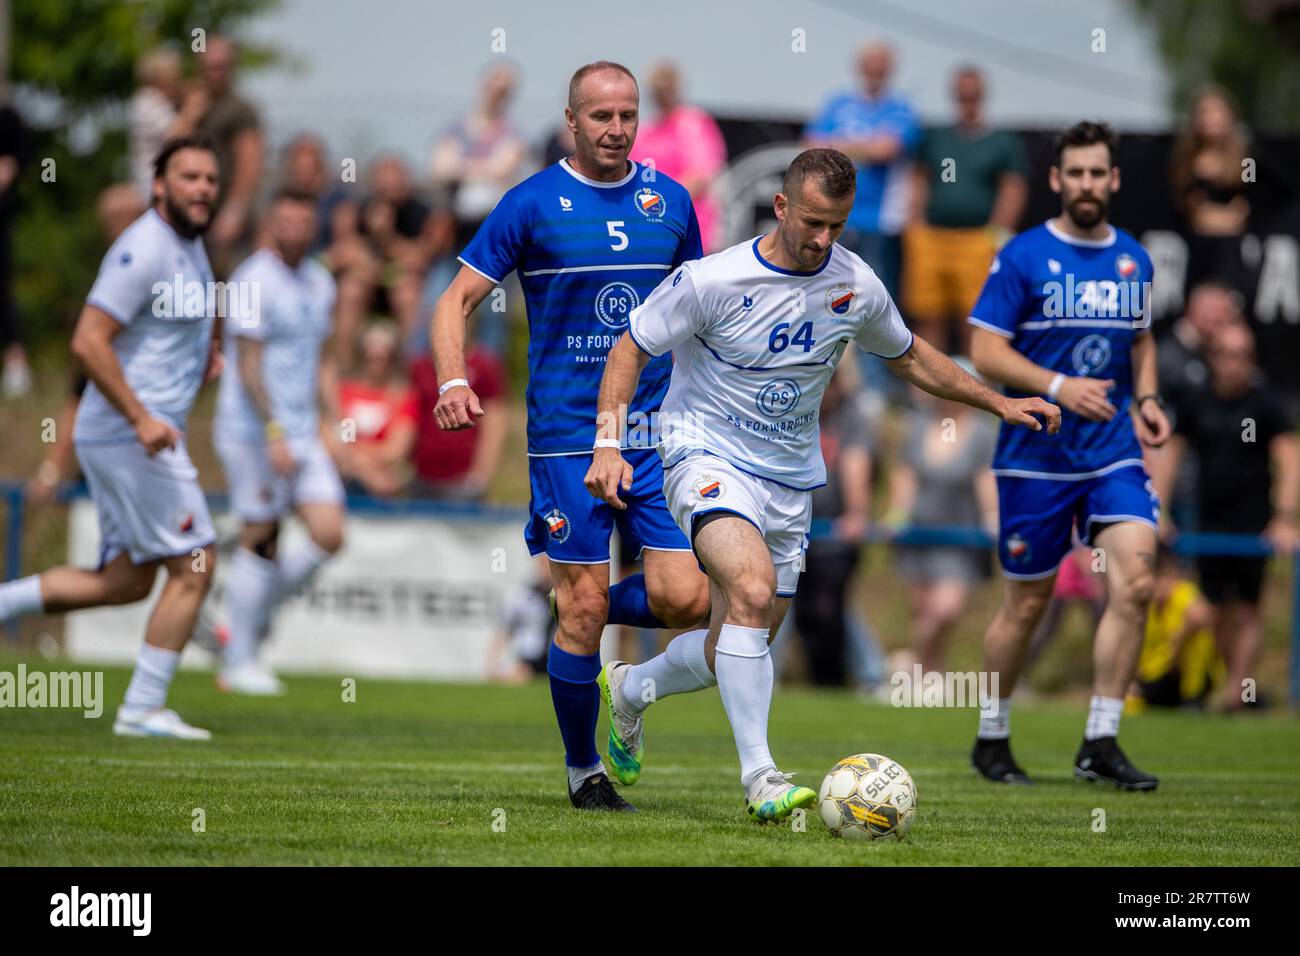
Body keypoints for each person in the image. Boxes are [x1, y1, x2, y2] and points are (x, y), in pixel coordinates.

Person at [585, 148, 1057, 822]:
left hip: (789, 482)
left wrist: (998, 403)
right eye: (811, 222)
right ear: (780, 207)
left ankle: (631, 690)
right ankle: (762, 779)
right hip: (704, 456)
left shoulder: (855, 283)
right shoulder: (711, 280)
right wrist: (609, 442)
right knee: (748, 591)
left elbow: (911, 356)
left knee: (734, 646)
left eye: (836, 226)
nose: (822, 239)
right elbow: (630, 346)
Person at [432, 61, 711, 813]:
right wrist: (453, 381)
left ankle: (612, 665)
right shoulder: (529, 203)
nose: (616, 130)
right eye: (601, 117)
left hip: (654, 434)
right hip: (566, 437)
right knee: (583, 607)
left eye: (628, 115)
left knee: (687, 599)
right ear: (571, 120)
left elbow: (703, 312)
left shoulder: (673, 202)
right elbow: (453, 300)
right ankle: (583, 769)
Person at [967, 121, 1170, 790]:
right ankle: (992, 737)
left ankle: (1101, 739)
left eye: (1097, 172)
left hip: (1112, 451)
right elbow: (985, 350)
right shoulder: (1023, 255)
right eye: (1074, 172)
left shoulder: (1134, 259)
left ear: (1114, 179)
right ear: (1057, 180)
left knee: (1137, 578)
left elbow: (1141, 339)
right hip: (1035, 454)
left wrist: (1146, 400)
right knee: (1028, 605)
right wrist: (1057, 387)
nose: (1087, 184)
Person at [0, 135, 224, 738]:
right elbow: (87, 341)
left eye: (210, 178)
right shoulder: (145, 247)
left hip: (134, 433)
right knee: (196, 565)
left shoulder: (189, 246)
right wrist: (140, 417)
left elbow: (170, 328)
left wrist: (207, 355)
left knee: (126, 581)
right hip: (134, 435)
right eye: (189, 177)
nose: (202, 188)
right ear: (159, 186)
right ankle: (142, 709)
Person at [212, 190, 346, 695]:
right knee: (262, 534)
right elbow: (247, 365)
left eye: (303, 221)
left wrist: (335, 419)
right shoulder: (252, 278)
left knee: (329, 533)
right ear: (272, 222)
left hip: (304, 430)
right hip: (252, 430)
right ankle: (239, 658)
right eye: (285, 220)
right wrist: (273, 430)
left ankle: (250, 617)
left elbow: (322, 359)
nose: (294, 229)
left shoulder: (320, 280)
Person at [1153, 322, 1298, 711]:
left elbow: (1288, 459)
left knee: (1248, 608)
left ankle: (1237, 691)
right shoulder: (1196, 400)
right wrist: (1160, 510)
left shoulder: (1265, 403)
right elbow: (1172, 454)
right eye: (1227, 354)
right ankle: (1223, 685)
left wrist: (1284, 518)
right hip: (1208, 522)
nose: (1235, 364)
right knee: (1214, 608)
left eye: (1243, 355)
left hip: (1253, 523)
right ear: (1213, 358)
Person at [886, 359, 999, 676]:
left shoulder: (980, 433)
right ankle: (931, 674)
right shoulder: (919, 425)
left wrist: (992, 518)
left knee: (945, 610)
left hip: (961, 540)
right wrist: (897, 516)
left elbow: (985, 480)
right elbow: (905, 476)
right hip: (919, 535)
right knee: (923, 612)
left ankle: (911, 663)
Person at [904, 66, 1027, 354]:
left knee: (972, 316)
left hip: (976, 239)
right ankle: (929, 391)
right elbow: (919, 178)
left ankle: (974, 387)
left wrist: (997, 235)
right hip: (932, 237)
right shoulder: (937, 138)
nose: (967, 101)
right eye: (962, 95)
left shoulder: (1001, 142)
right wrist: (914, 223)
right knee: (927, 313)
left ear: (982, 96)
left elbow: (1013, 188)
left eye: (973, 95)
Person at [792, 361, 873, 687]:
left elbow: (857, 463)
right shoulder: (795, 410)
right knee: (801, 612)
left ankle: (837, 680)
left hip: (833, 536)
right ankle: (819, 681)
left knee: (828, 609)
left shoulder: (851, 417)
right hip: (794, 529)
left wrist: (856, 512)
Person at [629, 62, 728, 254]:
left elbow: (700, 177)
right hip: (651, 231)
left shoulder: (693, 124)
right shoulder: (646, 130)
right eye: (658, 89)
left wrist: (659, 206)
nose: (663, 93)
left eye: (667, 87)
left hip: (690, 229)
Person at [1169, 86, 1253, 290]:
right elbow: (1193, 215)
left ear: (1230, 116)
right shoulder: (1186, 163)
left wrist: (1217, 216)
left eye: (1217, 111)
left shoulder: (1246, 162)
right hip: (1196, 255)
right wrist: (1215, 216)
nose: (1210, 119)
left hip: (1231, 257)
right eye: (1204, 112)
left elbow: (1244, 208)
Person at [196, 35, 264, 276]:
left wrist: (234, 211)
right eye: (210, 67)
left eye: (221, 67)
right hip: (192, 208)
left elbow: (250, 162)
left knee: (223, 284)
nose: (216, 73)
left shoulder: (240, 110)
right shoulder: (191, 103)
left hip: (222, 211)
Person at [408, 337, 506, 500]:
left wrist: (481, 473)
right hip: (422, 477)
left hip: (463, 480)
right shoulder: (420, 365)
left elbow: (494, 422)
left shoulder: (483, 365)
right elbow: (410, 416)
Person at [330, 322, 418, 498]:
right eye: (371, 357)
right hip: (348, 479)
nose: (378, 364)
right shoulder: (343, 392)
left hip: (385, 483)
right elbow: (334, 439)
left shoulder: (402, 396)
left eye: (385, 357)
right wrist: (366, 473)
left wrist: (355, 456)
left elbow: (395, 450)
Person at [1128, 545, 1220, 710]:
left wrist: (1178, 642)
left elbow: (1201, 616)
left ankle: (1193, 697)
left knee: (1197, 635)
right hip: (1155, 673)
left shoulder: (1182, 593)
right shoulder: (1146, 603)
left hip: (1179, 670)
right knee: (1131, 702)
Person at [128, 47, 206, 203]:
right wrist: (192, 108)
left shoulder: (158, 102)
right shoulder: (147, 103)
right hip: (151, 182)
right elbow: (174, 137)